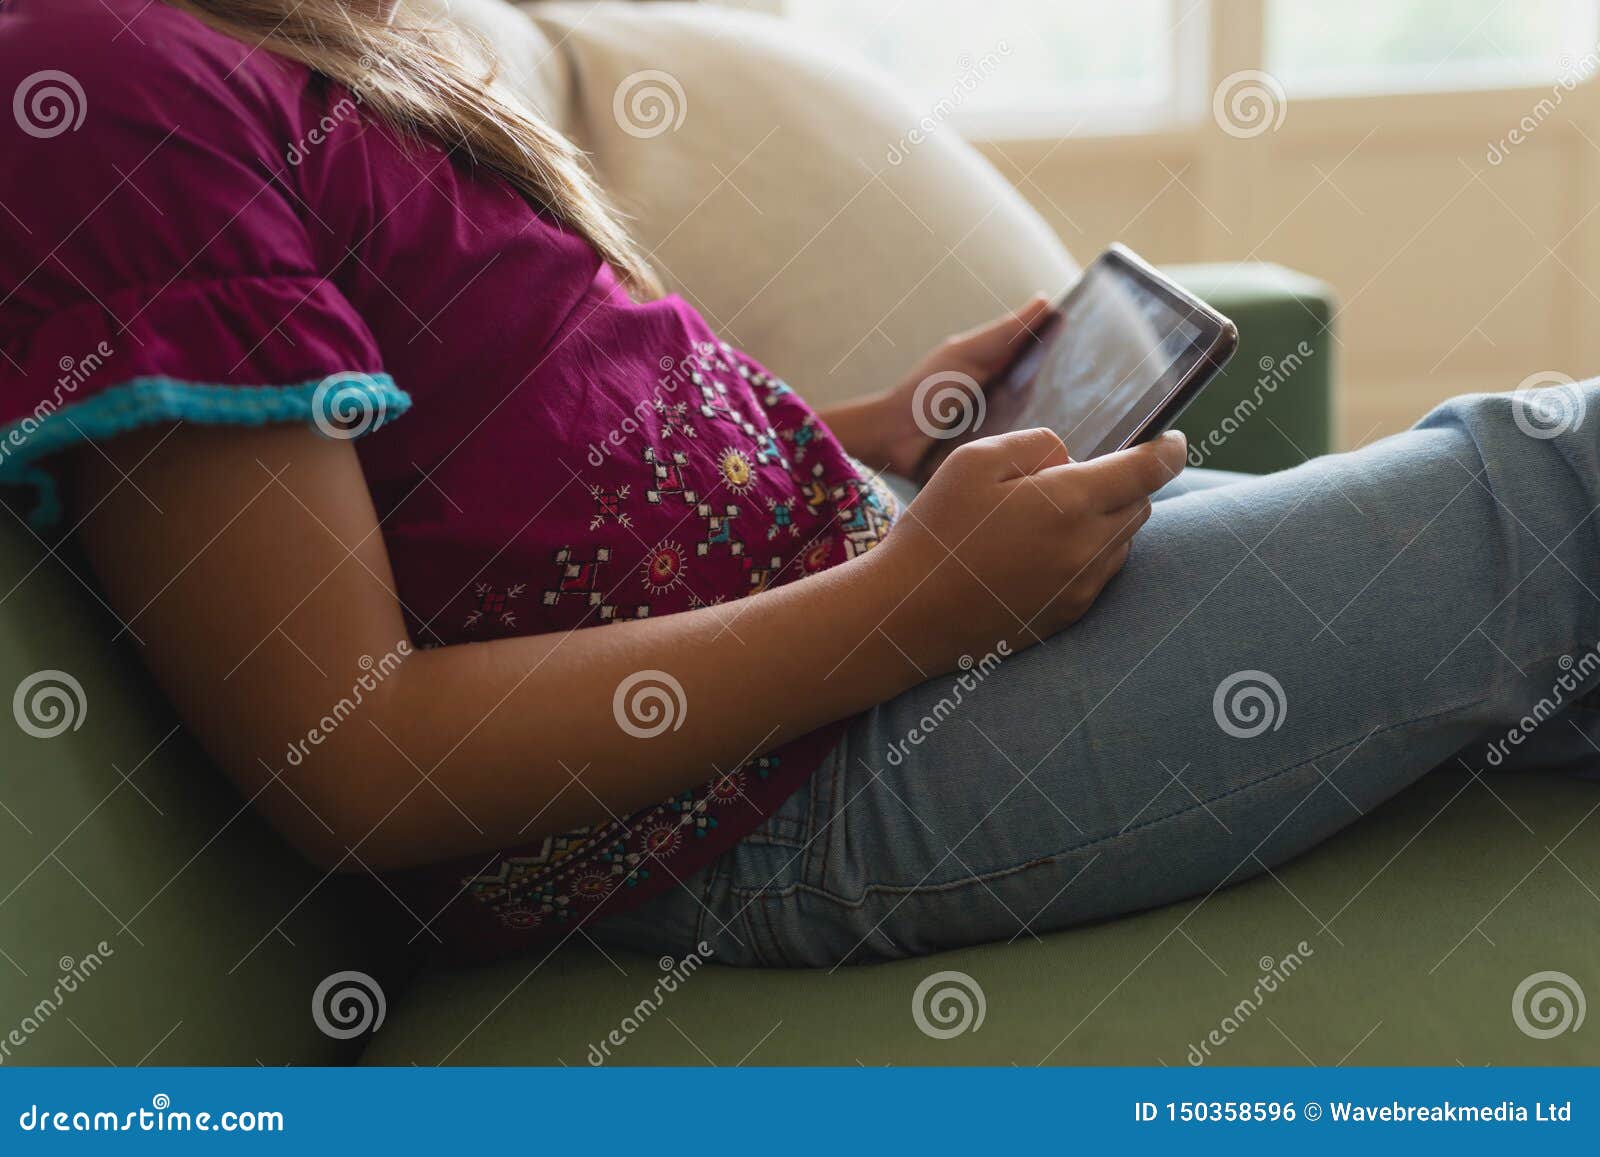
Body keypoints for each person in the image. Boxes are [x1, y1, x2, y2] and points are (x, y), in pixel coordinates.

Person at [1, 0, 1594, 969]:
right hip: (761, 796)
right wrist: (911, 607)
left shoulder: (269, 43)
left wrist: (882, 430)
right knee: (1557, 482)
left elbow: (499, 472)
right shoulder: (97, 90)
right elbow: (352, 759)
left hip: (859, 610)